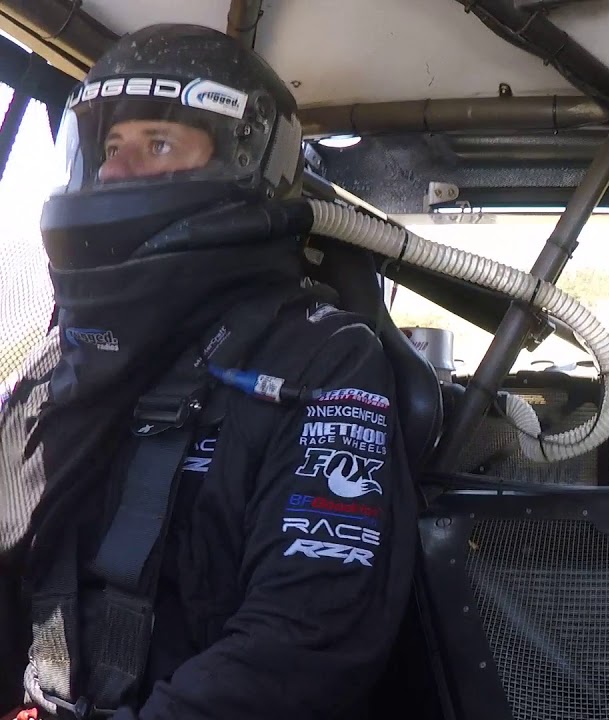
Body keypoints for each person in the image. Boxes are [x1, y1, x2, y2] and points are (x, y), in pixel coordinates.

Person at [0, 24, 416, 720]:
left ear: (239, 163)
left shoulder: (325, 359)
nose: (117, 175)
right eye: (111, 148)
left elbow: (303, 644)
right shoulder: (63, 361)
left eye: (157, 145)